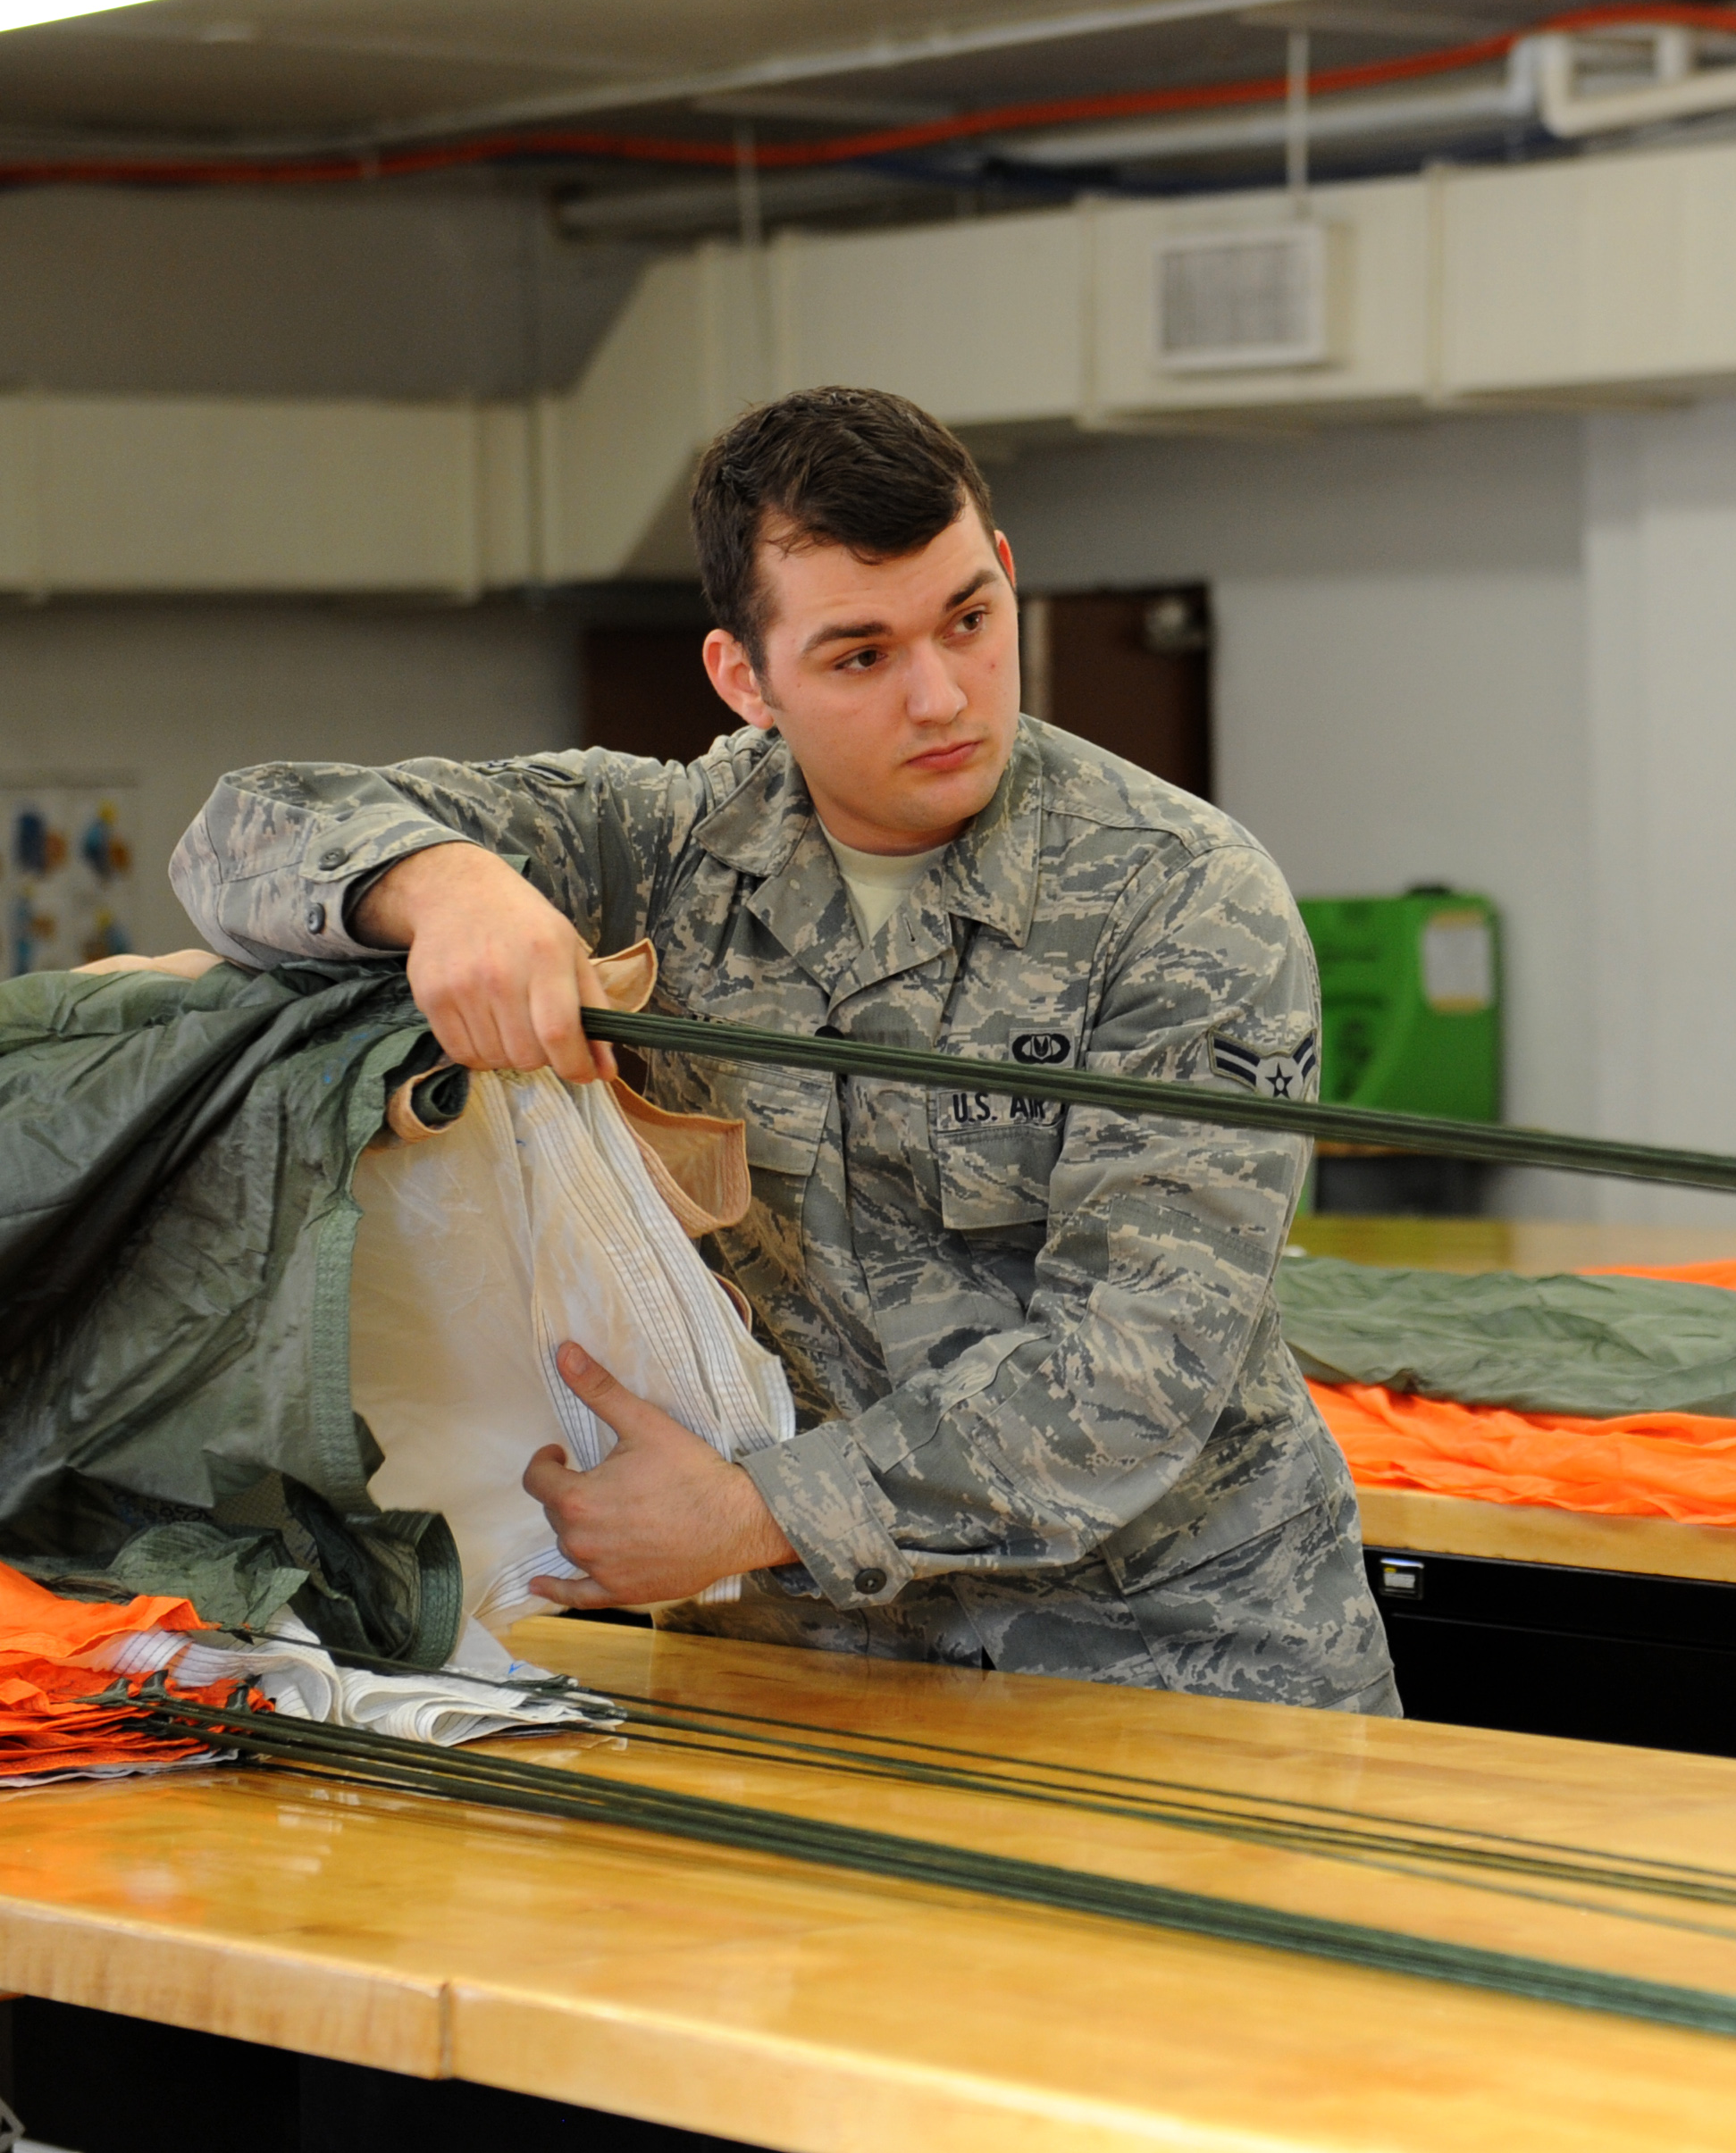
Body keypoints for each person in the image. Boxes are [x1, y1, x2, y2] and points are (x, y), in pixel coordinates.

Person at [169, 386, 1396, 1713]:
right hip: (809, 1686)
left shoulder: (1182, 899)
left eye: (971, 621)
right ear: (743, 678)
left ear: (1007, 580)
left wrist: (752, 1516)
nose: (942, 696)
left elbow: (1132, 1367)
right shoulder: (662, 849)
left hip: (1170, 1671)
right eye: (859, 656)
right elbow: (246, 828)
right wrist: (444, 889)